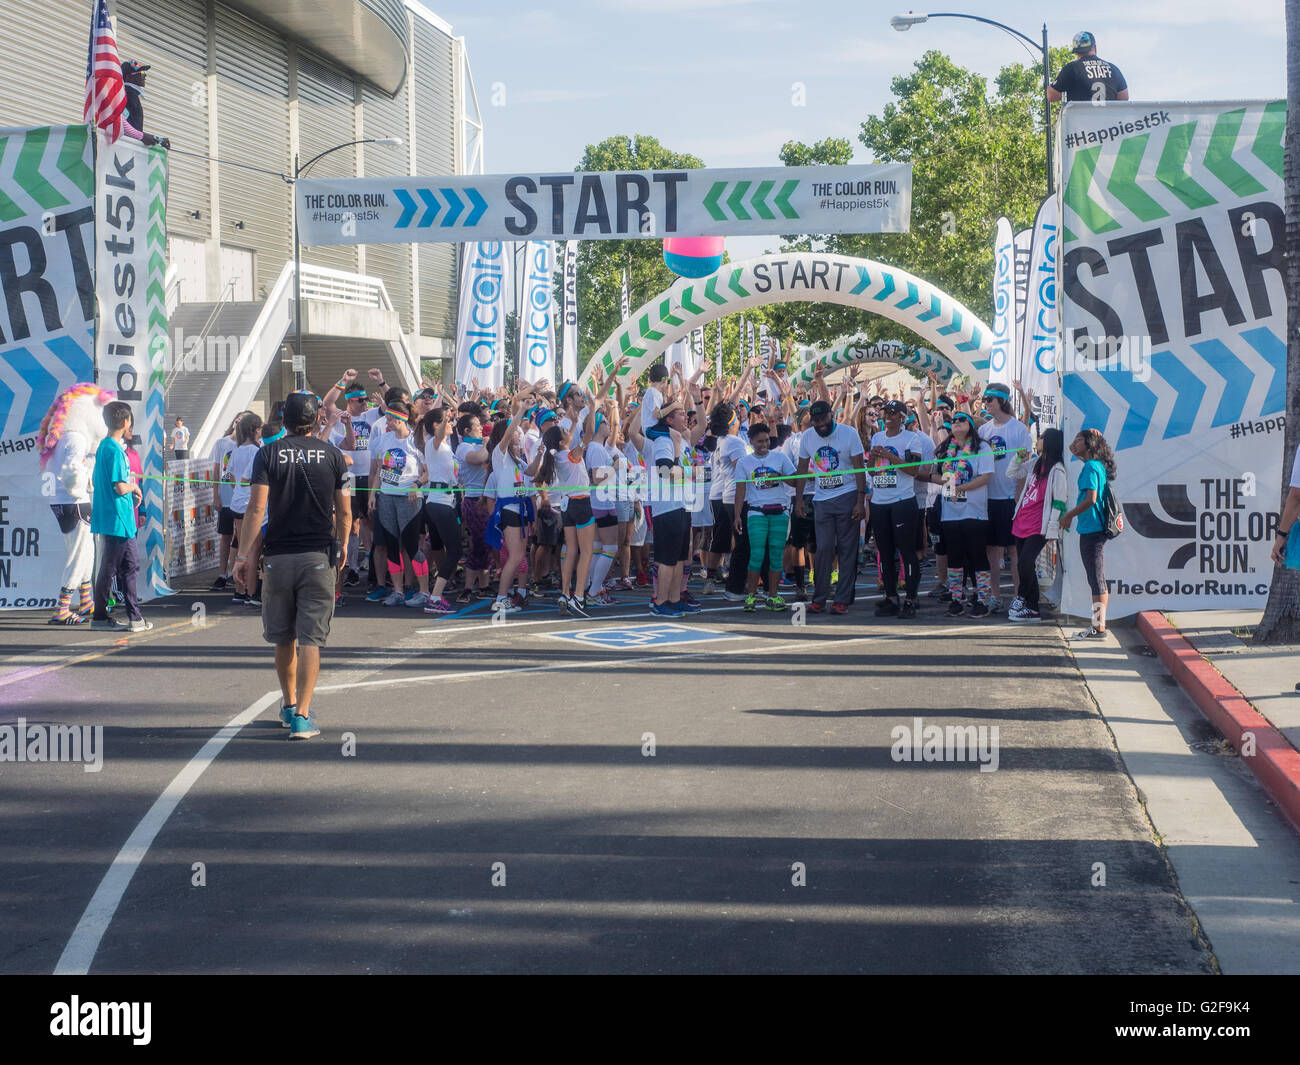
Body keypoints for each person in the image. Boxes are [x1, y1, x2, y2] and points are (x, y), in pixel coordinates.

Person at [235, 392, 350, 740]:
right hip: (318, 556)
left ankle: (288, 704)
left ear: (283, 420)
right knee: (311, 637)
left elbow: (256, 510)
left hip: (278, 557)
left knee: (283, 636)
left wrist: (242, 556)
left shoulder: (267, 453)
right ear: (317, 420)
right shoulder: (333, 457)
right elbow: (344, 510)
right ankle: (302, 714)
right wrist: (343, 544)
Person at [794, 400, 867, 616]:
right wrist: (798, 499)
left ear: (831, 414)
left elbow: (859, 469)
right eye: (815, 421)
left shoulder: (849, 434)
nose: (820, 425)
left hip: (847, 495)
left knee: (847, 550)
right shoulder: (808, 436)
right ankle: (819, 598)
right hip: (822, 500)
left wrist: (860, 500)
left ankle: (842, 599)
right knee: (823, 549)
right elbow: (801, 469)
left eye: (824, 419)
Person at [89, 401, 150, 632]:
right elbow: (119, 486)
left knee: (123, 567)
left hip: (114, 517)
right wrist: (134, 487)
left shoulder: (105, 446)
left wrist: (130, 490)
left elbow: (101, 482)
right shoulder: (114, 450)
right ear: (126, 422)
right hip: (118, 519)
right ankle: (106, 617)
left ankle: (129, 617)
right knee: (117, 568)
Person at [866, 399, 928, 618]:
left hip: (902, 500)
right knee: (883, 551)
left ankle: (911, 598)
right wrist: (872, 459)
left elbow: (912, 469)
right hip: (880, 501)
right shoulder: (877, 437)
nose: (888, 416)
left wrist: (890, 456)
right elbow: (873, 473)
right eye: (886, 412)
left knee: (907, 551)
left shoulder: (912, 438)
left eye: (893, 413)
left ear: (903, 417)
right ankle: (891, 597)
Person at [931, 412, 995, 617]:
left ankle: (982, 599)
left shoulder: (982, 447)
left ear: (970, 425)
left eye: (961, 419)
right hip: (950, 513)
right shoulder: (945, 450)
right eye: (953, 421)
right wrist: (941, 480)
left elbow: (985, 477)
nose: (956, 423)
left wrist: (960, 488)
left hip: (974, 513)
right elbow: (937, 474)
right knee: (955, 558)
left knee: (977, 556)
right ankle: (957, 599)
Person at [368, 399, 429, 607]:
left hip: (409, 498)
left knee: (411, 545)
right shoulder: (384, 440)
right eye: (387, 419)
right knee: (392, 545)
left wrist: (416, 485)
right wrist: (372, 495)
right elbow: (379, 470)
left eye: (391, 420)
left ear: (401, 420)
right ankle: (398, 591)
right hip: (386, 496)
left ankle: (424, 591)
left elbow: (429, 471)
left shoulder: (416, 440)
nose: (388, 423)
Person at [978, 382, 1033, 610]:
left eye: (989, 400)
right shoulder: (983, 431)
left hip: (1010, 497)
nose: (986, 404)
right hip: (988, 497)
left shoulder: (1018, 429)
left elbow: (1026, 461)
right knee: (992, 549)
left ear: (1001, 400)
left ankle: (1019, 596)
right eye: (984, 400)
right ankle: (995, 594)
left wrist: (1019, 493)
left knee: (1014, 549)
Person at [1059, 428, 1117, 640]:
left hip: (1093, 529)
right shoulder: (1093, 465)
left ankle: (1098, 627)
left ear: (1089, 444)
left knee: (1096, 578)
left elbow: (1091, 499)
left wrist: (1069, 515)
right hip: (1092, 528)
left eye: (1078, 439)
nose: (1074, 443)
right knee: (1096, 577)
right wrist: (1087, 440)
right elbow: (1074, 450)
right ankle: (1098, 625)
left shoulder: (1091, 467)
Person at [732, 422, 796, 611]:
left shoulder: (780, 458)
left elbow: (794, 481)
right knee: (757, 555)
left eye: (767, 440)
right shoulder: (744, 462)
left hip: (780, 512)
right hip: (756, 512)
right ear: (750, 441)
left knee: (776, 556)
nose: (764, 444)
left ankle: (773, 596)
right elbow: (740, 490)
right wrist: (737, 515)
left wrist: (781, 475)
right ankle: (751, 596)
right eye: (759, 441)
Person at [1008, 429, 1068, 622]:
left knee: (1025, 563)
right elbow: (1012, 473)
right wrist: (1018, 458)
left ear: (1049, 442)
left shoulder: (1057, 469)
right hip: (1022, 520)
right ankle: (1030, 606)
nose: (1038, 440)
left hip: (1038, 525)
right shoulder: (1035, 462)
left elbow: (1060, 501)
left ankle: (1024, 599)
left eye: (1041, 437)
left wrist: (1053, 527)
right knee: (1023, 565)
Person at [1046, 32, 1128, 103]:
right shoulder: (1113, 69)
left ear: (1077, 52)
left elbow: (1051, 96)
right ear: (1095, 48)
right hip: (1109, 120)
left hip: (1080, 120)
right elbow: (1124, 97)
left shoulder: (1072, 68)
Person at [120, 60, 172, 148]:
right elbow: (121, 123)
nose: (145, 76)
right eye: (141, 73)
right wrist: (143, 137)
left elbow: (131, 127)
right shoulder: (128, 95)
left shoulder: (129, 94)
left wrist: (157, 139)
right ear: (129, 78)